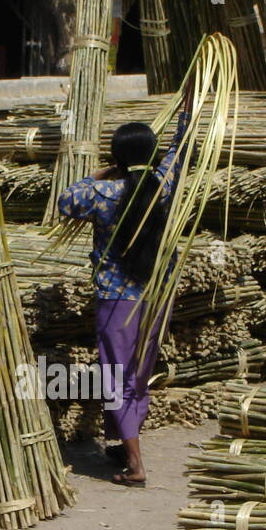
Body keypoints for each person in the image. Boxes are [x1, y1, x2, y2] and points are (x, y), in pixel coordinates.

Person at [56, 82, 194, 486]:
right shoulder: (162, 188)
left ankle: (136, 466)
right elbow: (181, 150)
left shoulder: (103, 193)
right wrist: (186, 108)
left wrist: (105, 168)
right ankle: (122, 443)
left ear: (118, 157)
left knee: (115, 375)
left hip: (116, 300)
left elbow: (67, 199)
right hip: (154, 298)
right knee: (136, 374)